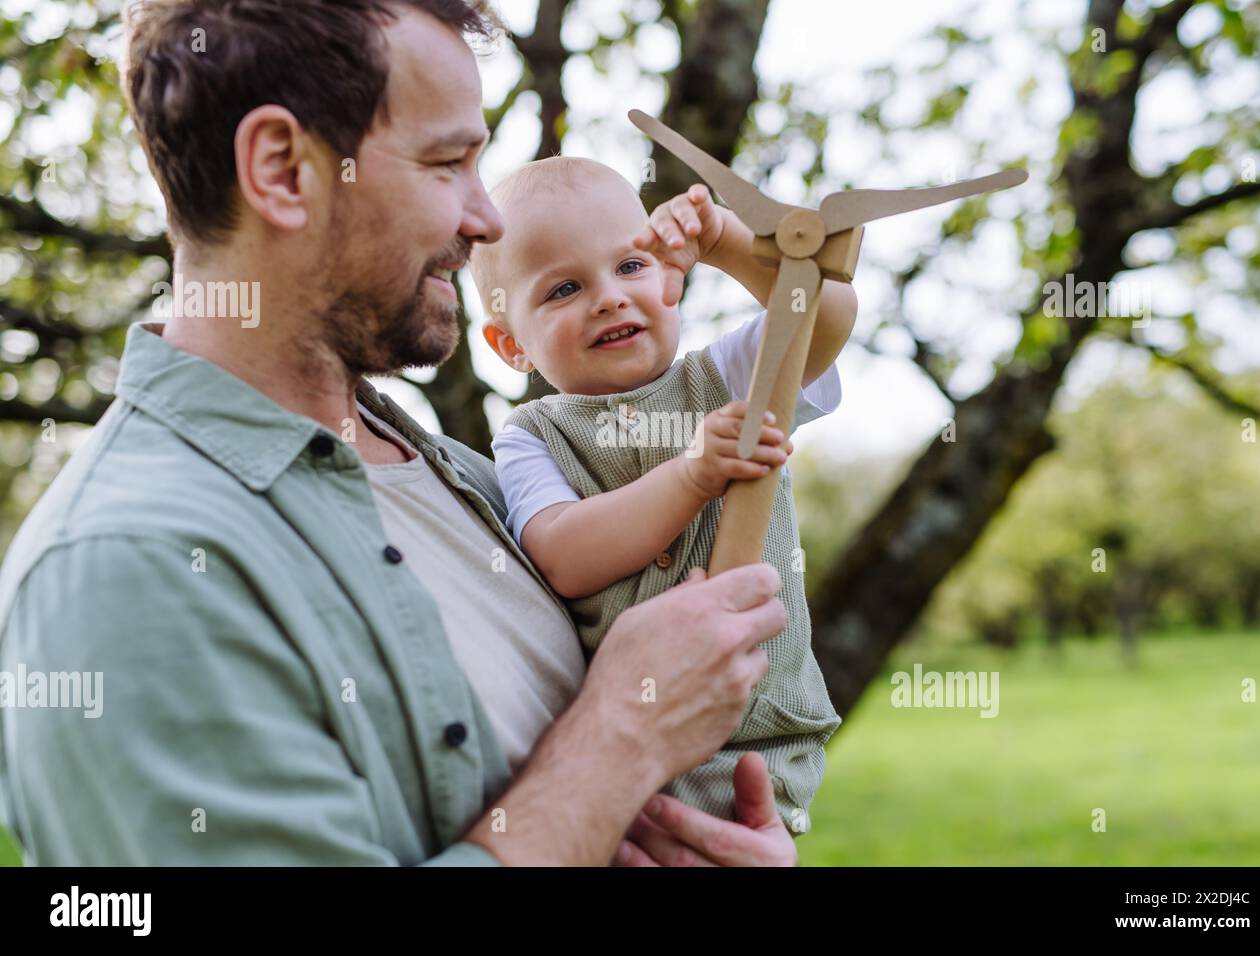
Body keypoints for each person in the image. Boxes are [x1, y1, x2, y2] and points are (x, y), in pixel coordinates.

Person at [0, 0, 796, 867]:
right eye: (448, 163)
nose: (486, 219)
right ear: (281, 169)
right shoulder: (125, 574)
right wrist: (620, 740)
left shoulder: (465, 479)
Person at [472, 159, 857, 831]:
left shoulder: (732, 374)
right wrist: (692, 473)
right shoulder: (531, 435)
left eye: (630, 267)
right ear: (511, 346)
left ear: (669, 275)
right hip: (631, 753)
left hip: (763, 735)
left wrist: (728, 242)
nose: (609, 297)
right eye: (563, 288)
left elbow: (823, 308)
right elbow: (563, 553)